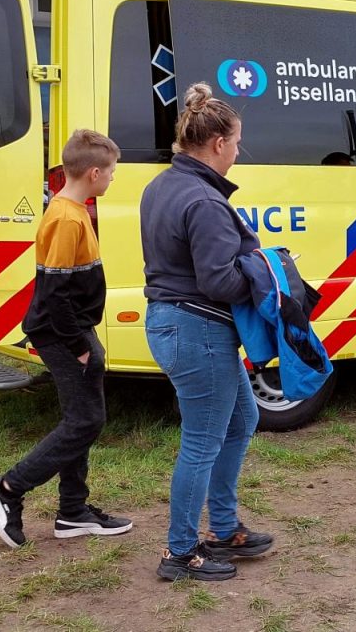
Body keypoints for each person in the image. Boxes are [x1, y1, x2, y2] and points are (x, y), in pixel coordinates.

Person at [142, 82, 274, 582]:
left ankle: (222, 527)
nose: (238, 152)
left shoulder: (161, 186)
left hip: (174, 322)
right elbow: (218, 279)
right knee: (201, 442)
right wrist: (268, 272)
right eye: (237, 142)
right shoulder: (205, 200)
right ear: (218, 143)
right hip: (198, 330)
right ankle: (180, 552)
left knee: (242, 419)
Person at [0, 130, 133, 550]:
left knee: (81, 419)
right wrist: (80, 345)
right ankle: (7, 489)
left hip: (73, 329)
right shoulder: (66, 217)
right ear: (95, 172)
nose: (113, 179)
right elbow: (55, 291)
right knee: (86, 421)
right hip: (65, 333)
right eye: (112, 172)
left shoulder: (73, 210)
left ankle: (73, 512)